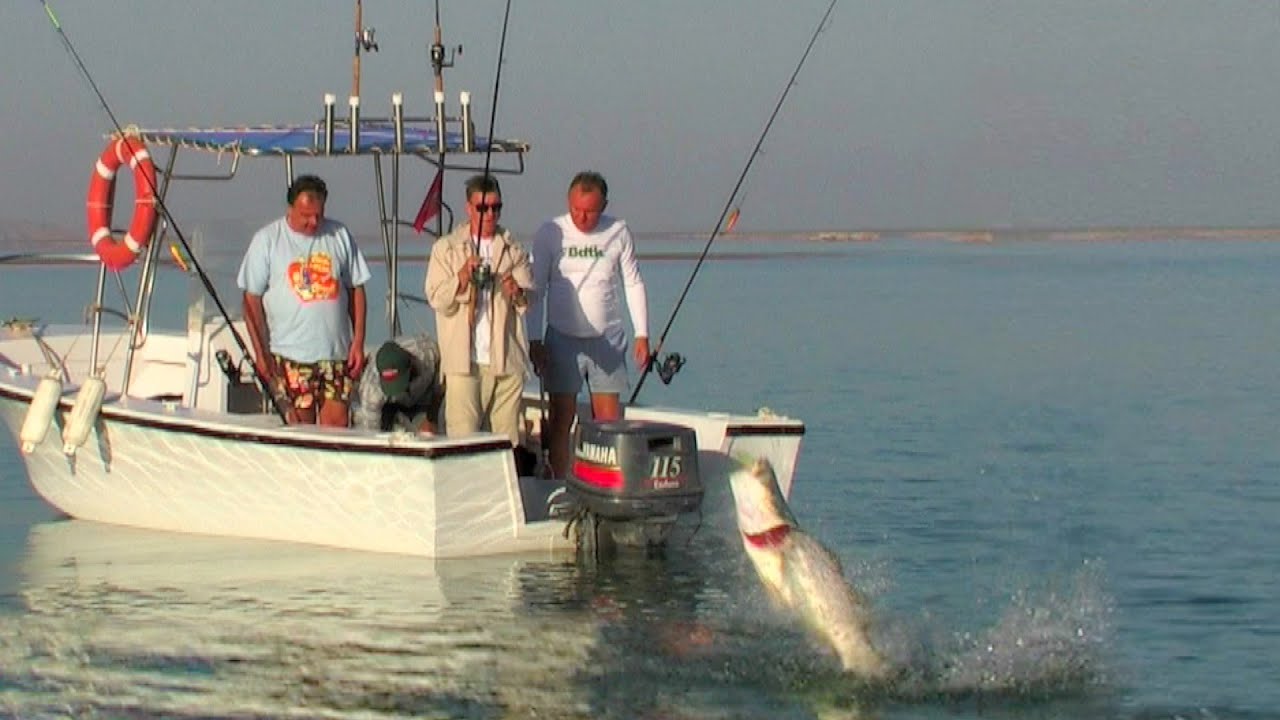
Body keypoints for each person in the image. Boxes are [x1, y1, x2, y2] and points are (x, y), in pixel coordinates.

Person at [528, 171, 650, 479]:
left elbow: (633, 283)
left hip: (606, 338)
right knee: (561, 416)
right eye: (577, 210)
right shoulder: (549, 233)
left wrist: (642, 334)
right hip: (562, 337)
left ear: (604, 205)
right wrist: (533, 339)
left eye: (591, 211)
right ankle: (558, 481)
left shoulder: (618, 231)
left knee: (608, 420)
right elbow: (536, 289)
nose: (582, 218)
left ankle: (605, 482)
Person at [238, 174, 371, 427]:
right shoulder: (267, 240)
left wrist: (358, 341)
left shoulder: (339, 235)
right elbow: (250, 300)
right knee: (301, 430)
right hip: (291, 356)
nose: (313, 222)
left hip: (336, 355)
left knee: (337, 428)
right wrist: (260, 352)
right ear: (291, 209)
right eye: (306, 216)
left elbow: (356, 288)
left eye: (318, 215)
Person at [424, 174, 533, 447]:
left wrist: (516, 292)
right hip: (463, 362)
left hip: (506, 360)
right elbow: (437, 298)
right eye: (483, 208)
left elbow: (527, 303)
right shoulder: (445, 249)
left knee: (507, 443)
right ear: (469, 208)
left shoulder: (513, 248)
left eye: (497, 207)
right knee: (463, 441)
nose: (490, 214)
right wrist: (461, 277)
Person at [352, 335, 443, 434]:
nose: (400, 390)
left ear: (411, 364)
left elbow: (440, 387)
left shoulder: (428, 353)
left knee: (430, 433)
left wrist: (431, 419)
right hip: (391, 406)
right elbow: (371, 432)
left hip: (423, 400)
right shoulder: (371, 391)